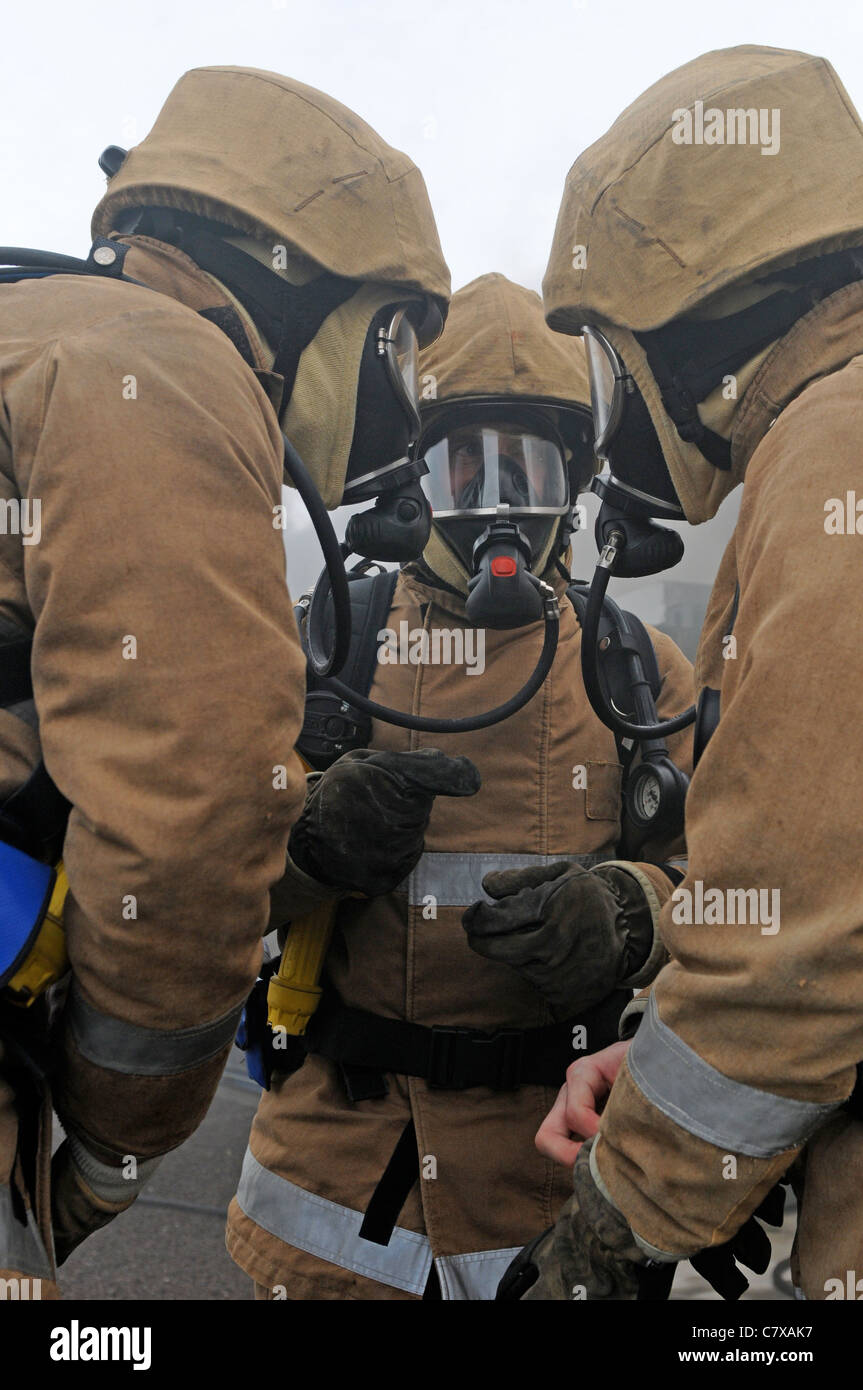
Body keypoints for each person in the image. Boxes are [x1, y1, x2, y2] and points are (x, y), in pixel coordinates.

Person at [0, 64, 459, 1298]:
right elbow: (189, 818)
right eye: (397, 343)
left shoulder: (34, 328)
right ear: (298, 282)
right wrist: (114, 1142)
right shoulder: (162, 360)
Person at [226, 272, 694, 1301]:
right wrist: (306, 843)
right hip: (329, 1195)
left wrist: (627, 912)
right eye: (462, 460)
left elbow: (728, 894)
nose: (496, 497)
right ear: (410, 477)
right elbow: (198, 885)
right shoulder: (323, 647)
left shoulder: (634, 670)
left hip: (555, 1193)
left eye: (526, 462)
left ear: (574, 478)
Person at [508, 43, 863, 1301]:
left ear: (693, 320)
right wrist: (663, 1025)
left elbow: (796, 972)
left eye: (612, 360)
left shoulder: (835, 449)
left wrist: (617, 1222)